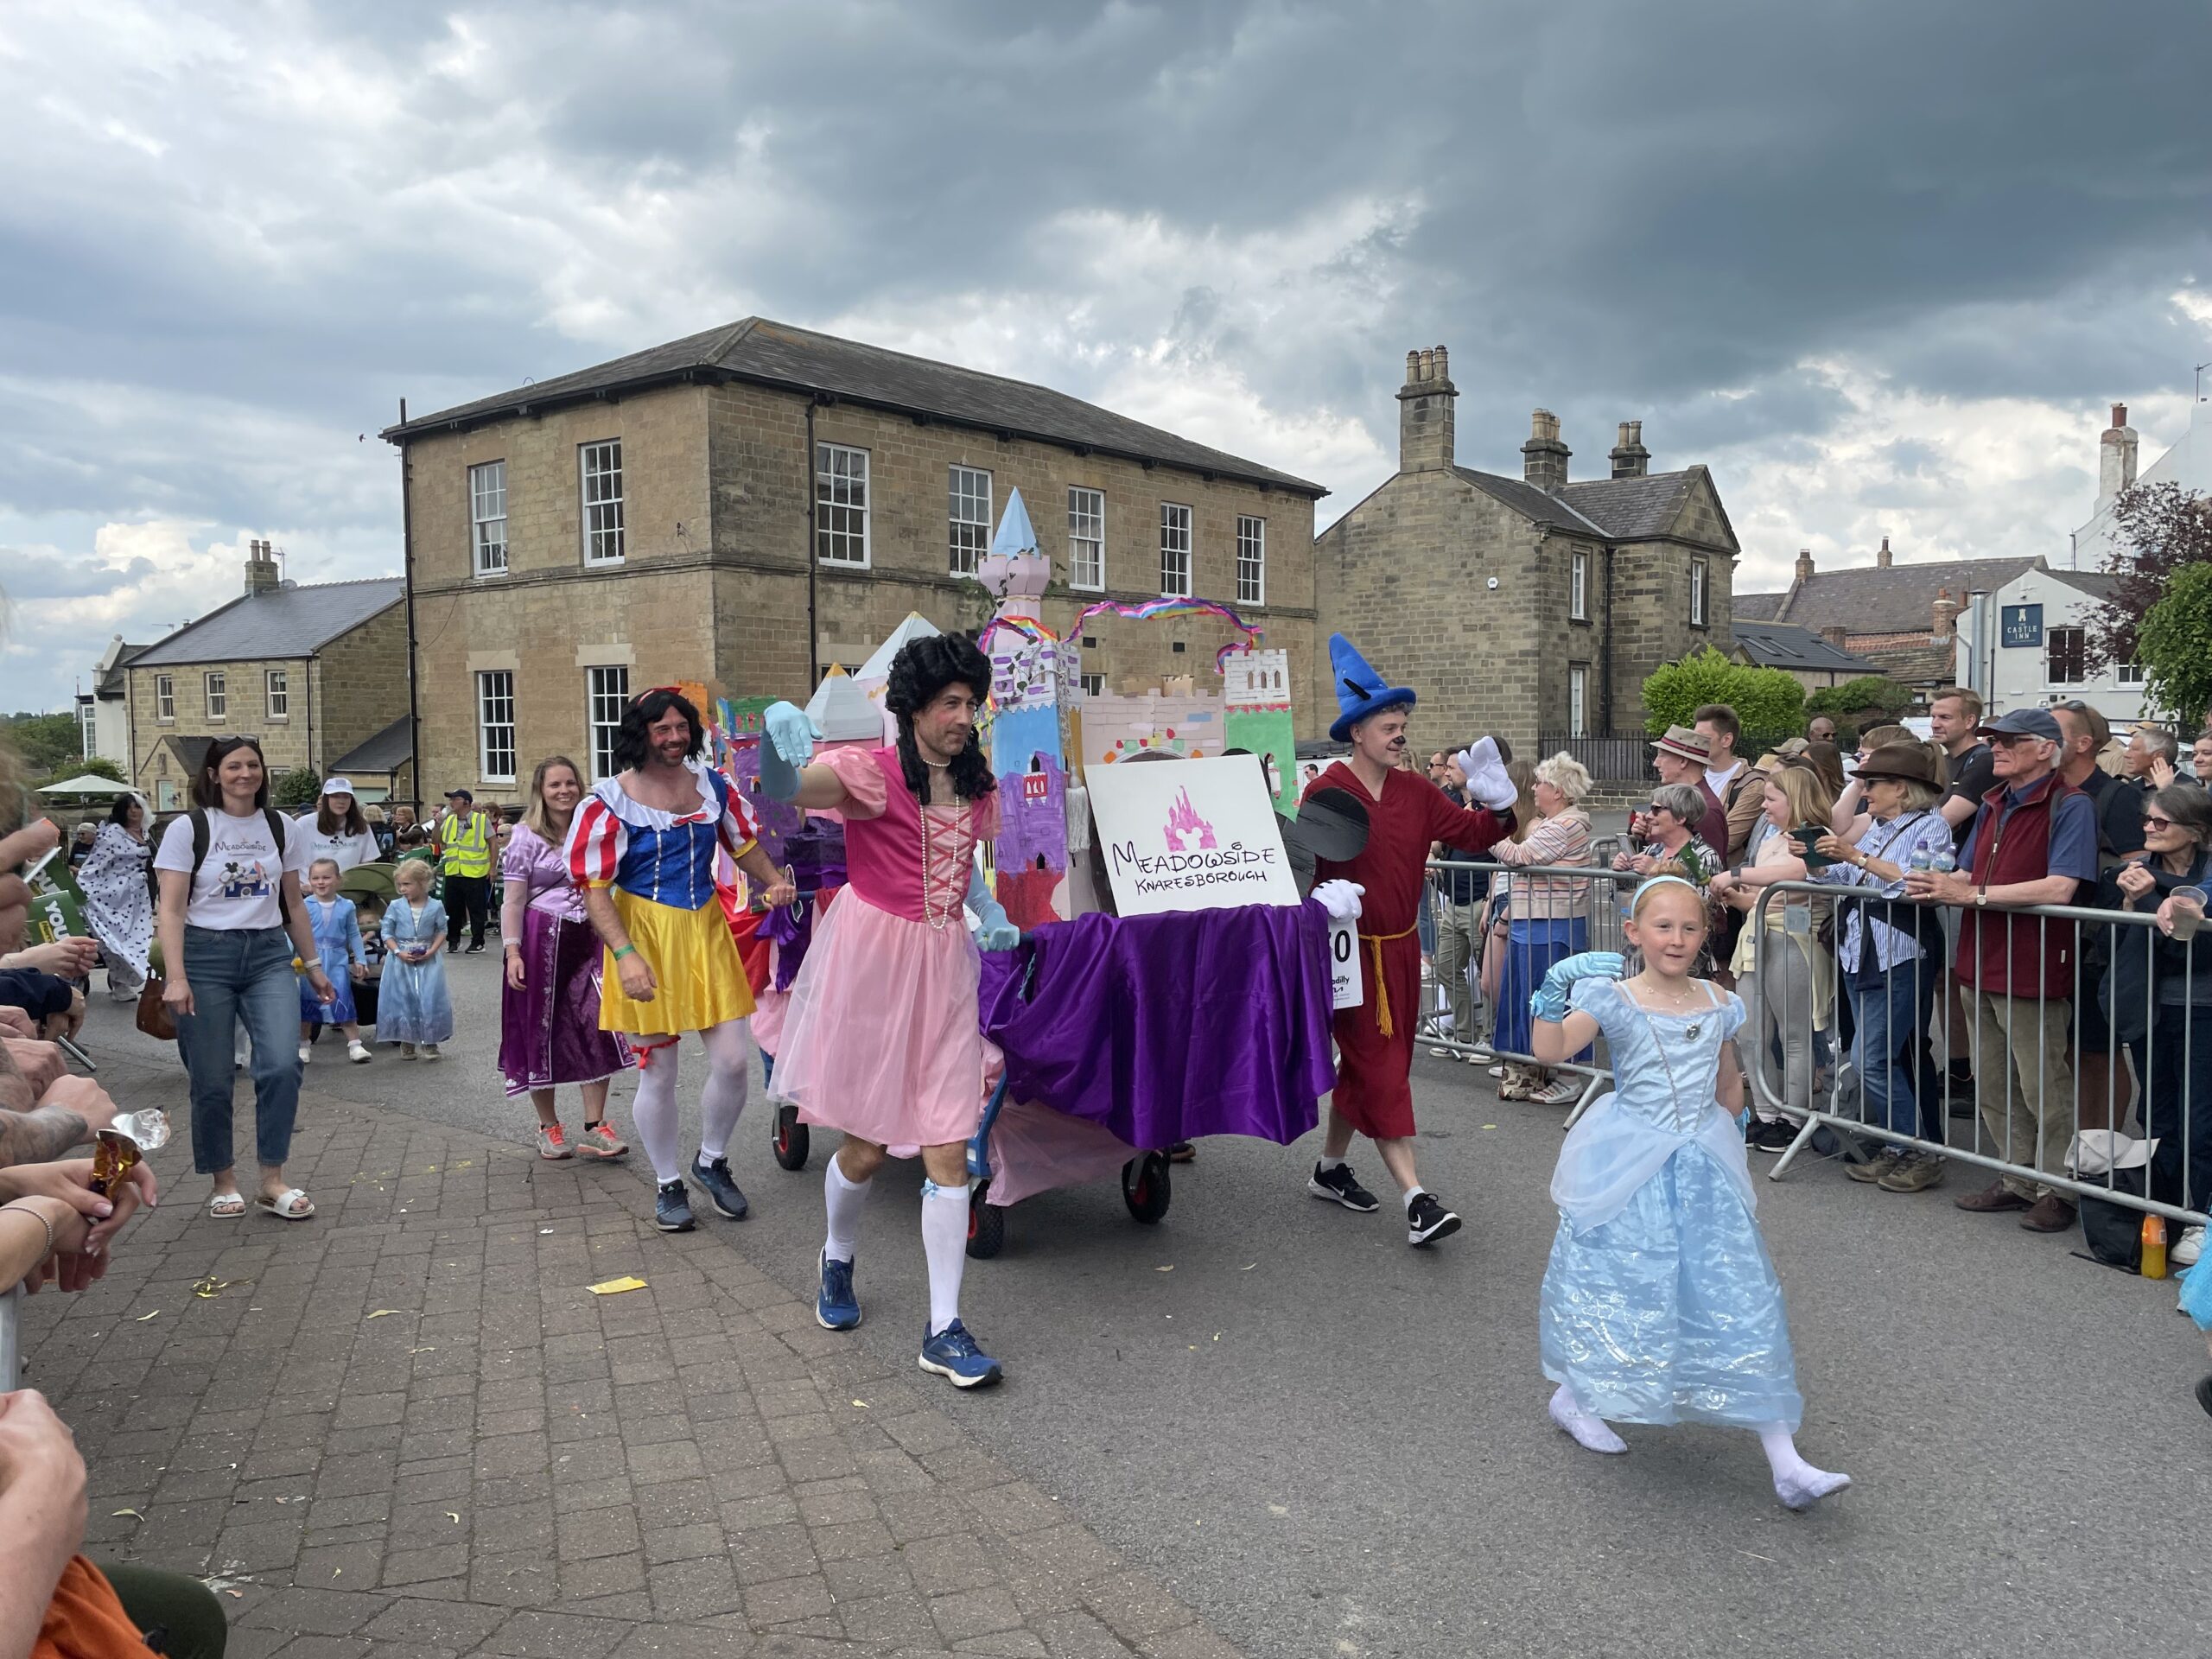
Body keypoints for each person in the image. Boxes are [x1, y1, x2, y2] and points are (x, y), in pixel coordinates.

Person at [1529, 878, 1848, 1510]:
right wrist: (1551, 991)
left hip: (1701, 1166)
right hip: (1632, 1163)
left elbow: (1729, 1084)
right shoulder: (1614, 999)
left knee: (1740, 1294)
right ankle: (1574, 1397)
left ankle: (1786, 1463)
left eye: (1690, 928)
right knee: (1626, 1287)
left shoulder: (1717, 999)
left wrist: (1727, 1144)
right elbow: (1552, 1049)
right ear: (1634, 932)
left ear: (1705, 936)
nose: (1676, 939)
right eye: (1663, 927)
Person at [755, 636, 1022, 1385]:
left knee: (948, 1146)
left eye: (972, 703)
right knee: (867, 1149)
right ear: (913, 709)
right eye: (950, 704)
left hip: (944, 971)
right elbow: (791, 787)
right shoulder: (868, 777)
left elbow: (961, 862)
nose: (964, 717)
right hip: (874, 967)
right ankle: (837, 1259)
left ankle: (944, 1329)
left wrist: (987, 907)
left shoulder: (974, 784)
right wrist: (780, 752)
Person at [1294, 633, 1517, 1246]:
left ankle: (1330, 1168)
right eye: (1389, 725)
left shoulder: (1418, 790)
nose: (1400, 734)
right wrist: (1317, 901)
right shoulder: (1326, 791)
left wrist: (1498, 805)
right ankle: (1417, 1199)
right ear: (1358, 732)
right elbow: (1303, 867)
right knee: (1383, 1070)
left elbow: (1474, 831)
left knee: (1372, 1067)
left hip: (1399, 946)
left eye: (1402, 724)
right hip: (1347, 954)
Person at [568, 689, 794, 1235]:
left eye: (681, 728)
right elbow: (594, 888)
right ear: (641, 732)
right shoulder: (606, 801)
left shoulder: (714, 786)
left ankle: (711, 1161)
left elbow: (743, 844)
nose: (674, 739)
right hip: (642, 935)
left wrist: (774, 881)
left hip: (706, 931)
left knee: (734, 1061)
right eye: (661, 729)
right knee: (660, 1071)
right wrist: (624, 956)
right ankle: (668, 1181)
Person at [1907, 708, 2096, 1232]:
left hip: (2032, 966)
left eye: (2010, 740)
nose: (1997, 748)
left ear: (2046, 748)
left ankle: (2058, 1189)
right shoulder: (1994, 801)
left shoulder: (2069, 804)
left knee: (2043, 1087)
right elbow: (1967, 871)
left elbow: (2061, 887)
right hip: (1980, 961)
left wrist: (1969, 892)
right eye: (1993, 740)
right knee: (1994, 1083)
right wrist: (1936, 884)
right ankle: (2017, 1179)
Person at [154, 734, 333, 1221]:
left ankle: (272, 1181)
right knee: (212, 1078)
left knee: (280, 1064)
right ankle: (223, 1181)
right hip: (203, 957)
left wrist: (314, 966)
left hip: (269, 955)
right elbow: (169, 910)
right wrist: (176, 977)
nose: (245, 774)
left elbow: (293, 902)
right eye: (233, 766)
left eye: (253, 765)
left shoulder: (281, 826)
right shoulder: (189, 828)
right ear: (213, 774)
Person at [1812, 743, 1955, 1190]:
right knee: (1872, 1057)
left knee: (1873, 1058)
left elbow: (1912, 883)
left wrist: (1853, 856)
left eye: (1872, 783)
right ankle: (1899, 1147)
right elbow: (1850, 878)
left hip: (1898, 952)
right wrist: (1816, 861)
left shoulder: (1930, 827)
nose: (1865, 790)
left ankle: (1919, 1150)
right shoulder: (1880, 826)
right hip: (1861, 951)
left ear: (1902, 788)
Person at [500, 756, 633, 1160]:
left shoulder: (594, 828)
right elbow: (513, 900)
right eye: (554, 785)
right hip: (541, 940)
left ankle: (595, 1125)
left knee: (598, 1022)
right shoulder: (525, 837)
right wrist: (512, 951)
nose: (564, 791)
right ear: (541, 791)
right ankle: (549, 1126)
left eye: (570, 783)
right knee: (539, 1029)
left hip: (590, 936)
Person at [1710, 764, 1836, 1153]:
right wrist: (1738, 896)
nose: (1764, 806)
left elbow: (1796, 875)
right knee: (1750, 1033)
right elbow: (1762, 897)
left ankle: (1793, 1117)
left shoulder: (1818, 837)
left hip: (1795, 941)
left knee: (1794, 1034)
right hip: (1758, 937)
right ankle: (1766, 1115)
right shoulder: (1771, 838)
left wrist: (1736, 874)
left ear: (1794, 799)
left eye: (1771, 798)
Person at [2113, 785, 2212, 1263]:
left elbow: (2190, 944)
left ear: (2194, 833)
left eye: (2161, 823)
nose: (2149, 828)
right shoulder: (2136, 873)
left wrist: (2157, 901)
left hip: (2201, 1007)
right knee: (2156, 1111)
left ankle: (2201, 1216)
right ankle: (2164, 1209)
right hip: (2152, 1006)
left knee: (2200, 1118)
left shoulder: (2206, 876)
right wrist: (2138, 903)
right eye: (2147, 820)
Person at [2055, 700, 2149, 1135]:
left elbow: (2141, 866)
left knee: (2098, 1049)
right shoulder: (2049, 792)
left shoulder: (2117, 795)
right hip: (2057, 938)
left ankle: (2102, 1151)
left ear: (2083, 743)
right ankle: (2083, 1143)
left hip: (2099, 942)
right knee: (2071, 1047)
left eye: (2051, 730)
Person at [1484, 753, 1596, 1107]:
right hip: (1537, 922)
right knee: (1531, 994)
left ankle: (1567, 1075)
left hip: (1551, 924)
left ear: (1558, 791)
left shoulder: (1564, 826)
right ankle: (1537, 1063)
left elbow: (1518, 856)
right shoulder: (1557, 824)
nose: (1533, 789)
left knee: (1553, 997)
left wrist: (1483, 829)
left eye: (1540, 784)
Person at [1426, 749, 1493, 1062]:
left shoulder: (1490, 807)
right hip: (1455, 901)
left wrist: (1492, 901)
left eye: (1453, 767)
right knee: (1446, 968)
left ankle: (1490, 1038)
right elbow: (1443, 843)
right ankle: (1463, 1035)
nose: (1448, 772)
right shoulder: (1455, 804)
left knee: (1488, 976)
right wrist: (1433, 856)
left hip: (1480, 901)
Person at [74, 794, 153, 1002]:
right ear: (122, 811)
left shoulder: (146, 833)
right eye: (130, 808)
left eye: (138, 806)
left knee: (140, 939)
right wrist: (84, 891)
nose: (135, 811)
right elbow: (94, 866)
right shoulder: (111, 835)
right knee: (115, 941)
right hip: (113, 896)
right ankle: (120, 983)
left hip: (138, 897)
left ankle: (133, 979)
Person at [296, 858, 372, 1065]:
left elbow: (354, 934)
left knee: (342, 996)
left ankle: (355, 1044)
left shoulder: (346, 906)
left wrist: (361, 958)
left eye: (326, 877)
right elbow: (294, 932)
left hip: (337, 958)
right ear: (309, 881)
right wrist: (289, 958)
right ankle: (303, 1044)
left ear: (338, 880)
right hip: (311, 959)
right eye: (316, 878)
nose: (321, 882)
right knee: (308, 1001)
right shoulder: (304, 905)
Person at [378, 860, 453, 1059]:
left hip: (428, 959)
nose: (402, 889)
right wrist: (397, 952)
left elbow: (442, 930)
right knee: (404, 997)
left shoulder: (436, 906)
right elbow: (387, 932)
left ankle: (430, 1042)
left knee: (429, 997)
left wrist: (432, 950)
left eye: (407, 884)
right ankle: (406, 1041)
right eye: (400, 885)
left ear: (423, 883)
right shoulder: (395, 906)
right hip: (401, 959)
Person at [1613, 783, 1723, 892]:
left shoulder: (1704, 857)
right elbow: (1628, 897)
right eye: (1650, 809)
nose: (1648, 816)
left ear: (1680, 818)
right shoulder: (1653, 850)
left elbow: (1704, 904)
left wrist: (1657, 871)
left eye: (1656, 809)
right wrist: (1622, 875)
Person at [1694, 704, 1768, 863]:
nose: (1696, 743)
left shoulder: (1752, 785)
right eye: (1695, 737)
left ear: (1726, 740)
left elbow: (1725, 840)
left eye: (1704, 738)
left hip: (1719, 877)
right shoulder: (1693, 777)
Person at [434, 787, 495, 953]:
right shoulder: (449, 821)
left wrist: (493, 868)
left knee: (476, 910)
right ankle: (453, 941)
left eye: (455, 799)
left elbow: (493, 843)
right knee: (452, 909)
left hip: (475, 871)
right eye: (450, 799)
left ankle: (478, 942)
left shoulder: (481, 820)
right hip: (454, 870)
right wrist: (438, 824)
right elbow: (436, 840)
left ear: (466, 802)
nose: (451, 802)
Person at [297, 778, 380, 872]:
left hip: (351, 885)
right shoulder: (304, 824)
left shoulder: (361, 825)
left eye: (346, 796)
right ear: (326, 799)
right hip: (311, 885)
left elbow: (369, 862)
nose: (341, 801)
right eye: (335, 796)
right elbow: (292, 861)